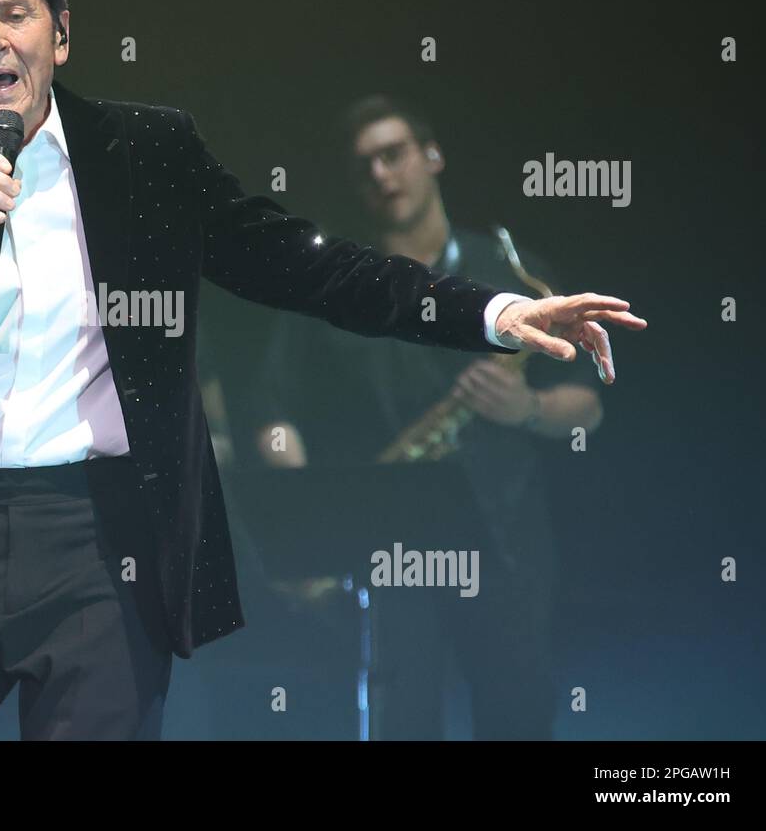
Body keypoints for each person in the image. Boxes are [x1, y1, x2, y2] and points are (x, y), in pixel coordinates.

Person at [0, 0, 645, 741]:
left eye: (14, 13)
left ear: (60, 37)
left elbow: (309, 265)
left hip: (105, 540)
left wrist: (494, 312)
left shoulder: (147, 154)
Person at [252, 95, 603, 738]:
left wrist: (528, 409)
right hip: (389, 553)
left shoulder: (507, 266)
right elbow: (276, 412)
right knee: (401, 725)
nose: (383, 176)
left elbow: (588, 406)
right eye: (366, 166)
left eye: (395, 155)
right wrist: (313, 515)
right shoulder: (338, 279)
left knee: (518, 720)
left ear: (432, 156)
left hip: (507, 549)